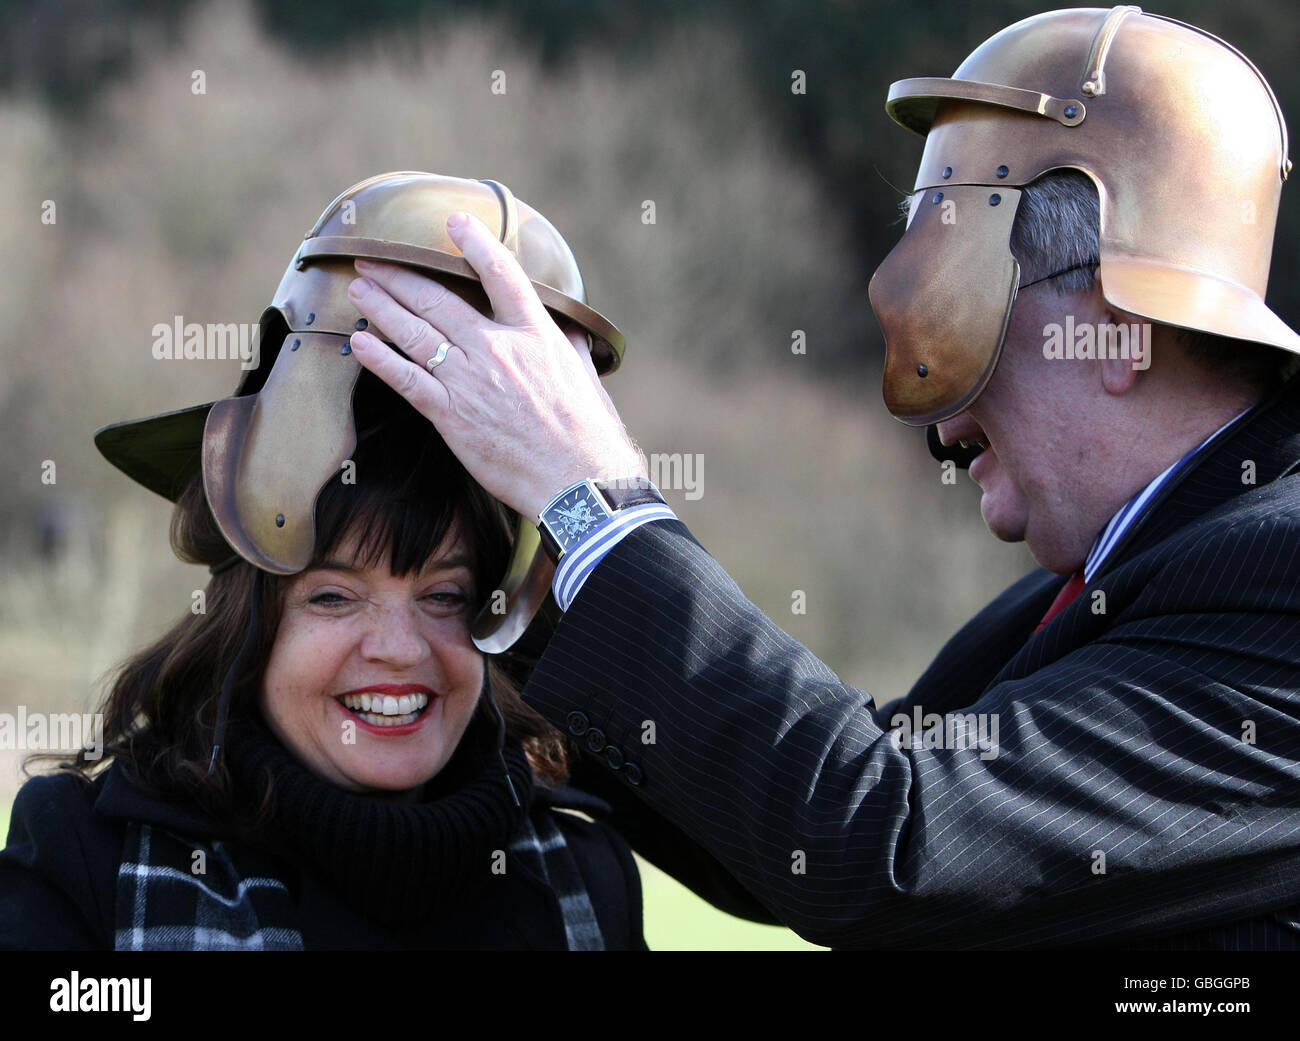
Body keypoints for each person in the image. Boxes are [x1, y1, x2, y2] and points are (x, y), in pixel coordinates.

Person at [339, 8, 1300, 949]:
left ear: (1117, 330)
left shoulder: (1277, 575)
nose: (944, 427)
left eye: (958, 330)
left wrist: (589, 494)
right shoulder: (1117, 579)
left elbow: (880, 840)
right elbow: (787, 842)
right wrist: (507, 580)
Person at [0, 172, 653, 951]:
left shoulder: (588, 876)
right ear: (248, 620)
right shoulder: (87, 863)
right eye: (334, 597)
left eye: (445, 595)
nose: (400, 649)